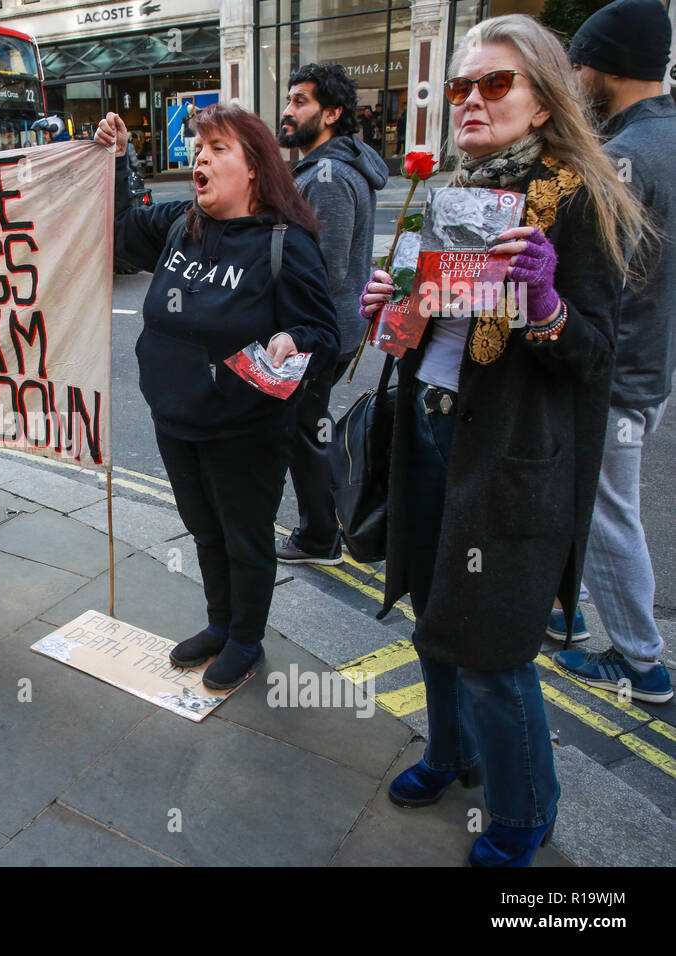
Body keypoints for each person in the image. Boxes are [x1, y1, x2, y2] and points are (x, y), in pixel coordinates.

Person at [358, 13, 646, 865]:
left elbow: (596, 361)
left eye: (495, 84)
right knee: (430, 618)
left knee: (490, 647)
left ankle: (526, 811)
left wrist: (549, 308)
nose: (472, 101)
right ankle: (453, 755)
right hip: (429, 430)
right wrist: (393, 314)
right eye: (460, 87)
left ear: (543, 102)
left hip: (509, 456)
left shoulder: (578, 202)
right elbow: (427, 332)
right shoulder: (456, 192)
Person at [95, 104, 339, 689]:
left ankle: (245, 639)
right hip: (175, 419)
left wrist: (292, 338)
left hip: (245, 429)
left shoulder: (285, 243)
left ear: (254, 167)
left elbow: (325, 335)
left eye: (218, 149)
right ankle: (219, 624)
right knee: (205, 531)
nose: (200, 158)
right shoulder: (183, 223)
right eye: (198, 148)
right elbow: (120, 230)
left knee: (244, 538)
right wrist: (119, 157)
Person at [549, 0, 675, 702]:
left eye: (577, 65)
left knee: (608, 516)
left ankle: (639, 660)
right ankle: (562, 608)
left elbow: (590, 279)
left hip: (616, 376)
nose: (572, 79)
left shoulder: (624, 156)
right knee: (588, 502)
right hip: (653, 369)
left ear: (601, 67)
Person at [276, 63, 388, 566]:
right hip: (328, 330)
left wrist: (291, 331)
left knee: (307, 433)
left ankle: (320, 537)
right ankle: (321, 530)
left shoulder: (328, 176)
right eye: (290, 99)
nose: (288, 109)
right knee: (306, 428)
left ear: (332, 113)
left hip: (319, 334)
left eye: (301, 101)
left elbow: (327, 272)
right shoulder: (323, 167)